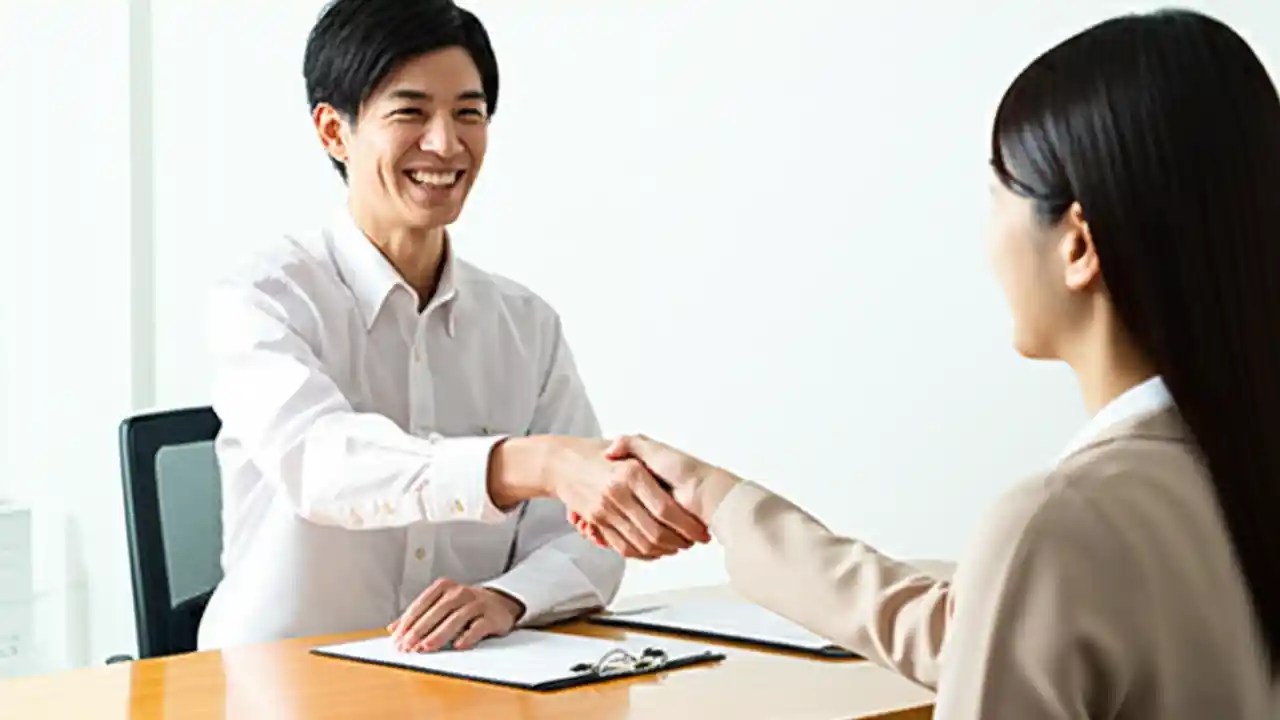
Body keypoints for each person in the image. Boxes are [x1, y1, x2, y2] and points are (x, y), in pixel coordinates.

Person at [578, 9, 1280, 718]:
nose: (987, 237)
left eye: (996, 193)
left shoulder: (1058, 523)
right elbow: (966, 632)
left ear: (1076, 246)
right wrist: (721, 501)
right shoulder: (1226, 476)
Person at [198, 0, 707, 652]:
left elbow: (583, 537)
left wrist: (508, 598)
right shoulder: (262, 299)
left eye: (468, 113)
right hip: (278, 685)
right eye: (410, 112)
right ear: (333, 131)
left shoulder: (524, 325)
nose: (445, 143)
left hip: (463, 685)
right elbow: (321, 466)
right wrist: (530, 462)